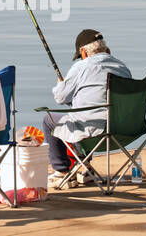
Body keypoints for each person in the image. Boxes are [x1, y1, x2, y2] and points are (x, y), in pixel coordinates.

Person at [42, 29, 132, 181]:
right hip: (124, 131)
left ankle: (62, 171)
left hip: (94, 135)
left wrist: (61, 85)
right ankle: (83, 167)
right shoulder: (122, 67)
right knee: (82, 113)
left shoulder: (81, 67)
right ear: (107, 50)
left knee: (49, 120)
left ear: (83, 52)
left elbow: (60, 97)